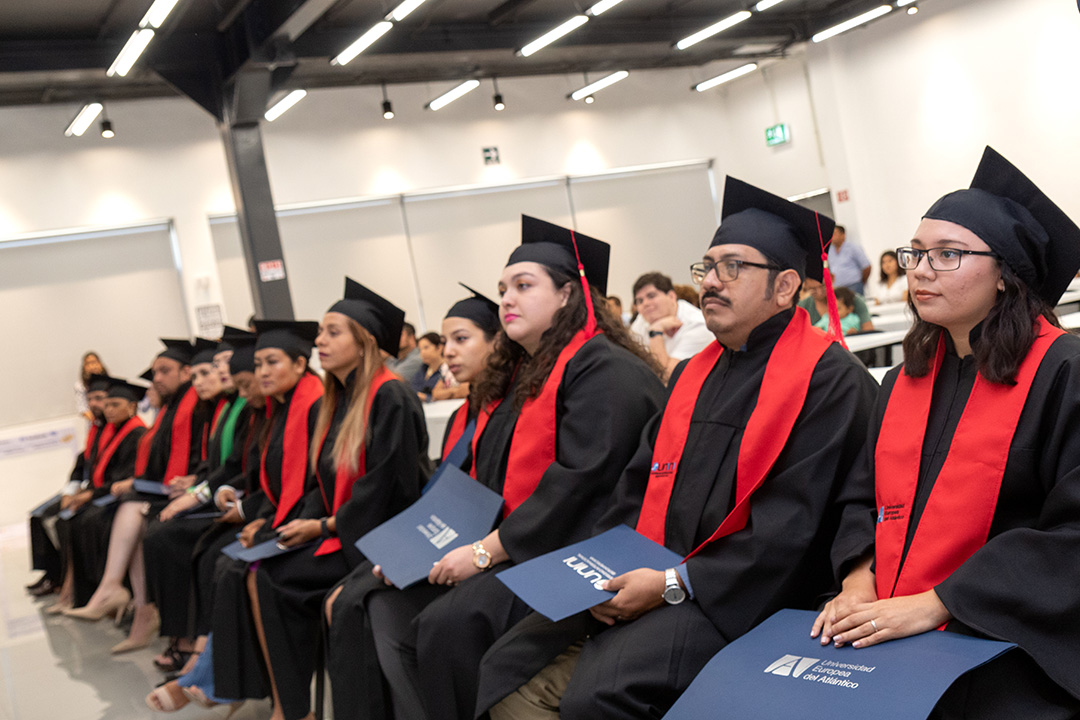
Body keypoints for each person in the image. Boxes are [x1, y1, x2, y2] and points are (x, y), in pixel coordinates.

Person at [478, 177, 877, 720]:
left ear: (785, 286)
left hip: (746, 597)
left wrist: (672, 583)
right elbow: (635, 487)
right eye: (706, 267)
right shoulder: (692, 374)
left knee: (598, 695)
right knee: (503, 665)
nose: (710, 281)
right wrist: (599, 574)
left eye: (732, 267)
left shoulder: (829, 380)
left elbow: (791, 530)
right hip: (658, 574)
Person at [812, 147, 1080, 719]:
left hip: (1009, 636)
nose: (919, 270)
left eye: (948, 254)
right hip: (889, 612)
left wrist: (939, 603)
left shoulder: (1064, 374)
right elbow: (863, 499)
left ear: (1006, 275)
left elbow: (1072, 534)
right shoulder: (900, 382)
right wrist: (858, 582)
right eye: (916, 252)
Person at [403, 216, 665, 720]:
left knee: (449, 624)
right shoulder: (541, 369)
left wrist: (486, 551)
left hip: (589, 553)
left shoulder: (606, 369)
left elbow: (581, 485)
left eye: (523, 286)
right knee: (411, 612)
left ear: (567, 295)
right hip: (542, 540)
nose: (506, 299)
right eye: (503, 289)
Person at [324, 284, 502, 720]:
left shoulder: (395, 395)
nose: (447, 351)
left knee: (357, 604)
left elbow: (394, 485)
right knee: (348, 602)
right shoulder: (463, 413)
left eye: (461, 339)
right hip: (432, 534)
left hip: (479, 549)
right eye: (445, 341)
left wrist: (328, 526)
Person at [64, 338, 211, 655]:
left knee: (146, 523)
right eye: (155, 373)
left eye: (163, 371)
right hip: (175, 489)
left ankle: (132, 603)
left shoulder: (195, 408)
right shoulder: (171, 411)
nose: (155, 380)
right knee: (119, 514)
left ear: (185, 372)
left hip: (198, 493)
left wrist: (196, 482)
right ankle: (121, 598)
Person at [28, 374, 111, 600]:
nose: (93, 404)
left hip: (97, 492)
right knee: (38, 516)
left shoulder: (115, 430)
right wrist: (70, 491)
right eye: (90, 399)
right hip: (81, 488)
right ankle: (52, 575)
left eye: (99, 398)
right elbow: (81, 464)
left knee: (62, 520)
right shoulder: (96, 429)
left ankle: (69, 580)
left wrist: (84, 493)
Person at [629, 271, 714, 379]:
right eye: (640, 301)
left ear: (671, 296)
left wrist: (656, 331)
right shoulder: (643, 318)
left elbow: (666, 377)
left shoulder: (698, 325)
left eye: (651, 296)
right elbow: (627, 361)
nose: (645, 304)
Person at [799, 277, 875, 332]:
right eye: (813, 289)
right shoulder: (802, 307)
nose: (819, 292)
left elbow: (868, 331)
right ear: (805, 285)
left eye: (823, 286)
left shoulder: (851, 299)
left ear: (832, 278)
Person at [827, 224, 872, 295]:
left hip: (854, 285)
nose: (831, 237)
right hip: (838, 287)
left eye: (834, 234)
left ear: (843, 235)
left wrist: (861, 281)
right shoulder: (830, 251)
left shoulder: (853, 248)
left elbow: (867, 266)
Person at [410, 331, 448, 401]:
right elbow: (413, 389)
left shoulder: (448, 370)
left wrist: (426, 398)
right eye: (420, 350)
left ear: (439, 348)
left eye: (426, 348)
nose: (422, 352)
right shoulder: (422, 370)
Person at [75, 351, 107, 422]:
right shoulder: (80, 386)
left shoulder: (109, 382)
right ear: (84, 368)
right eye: (88, 364)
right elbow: (82, 408)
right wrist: (97, 421)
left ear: (101, 364)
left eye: (94, 362)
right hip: (94, 421)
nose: (92, 366)